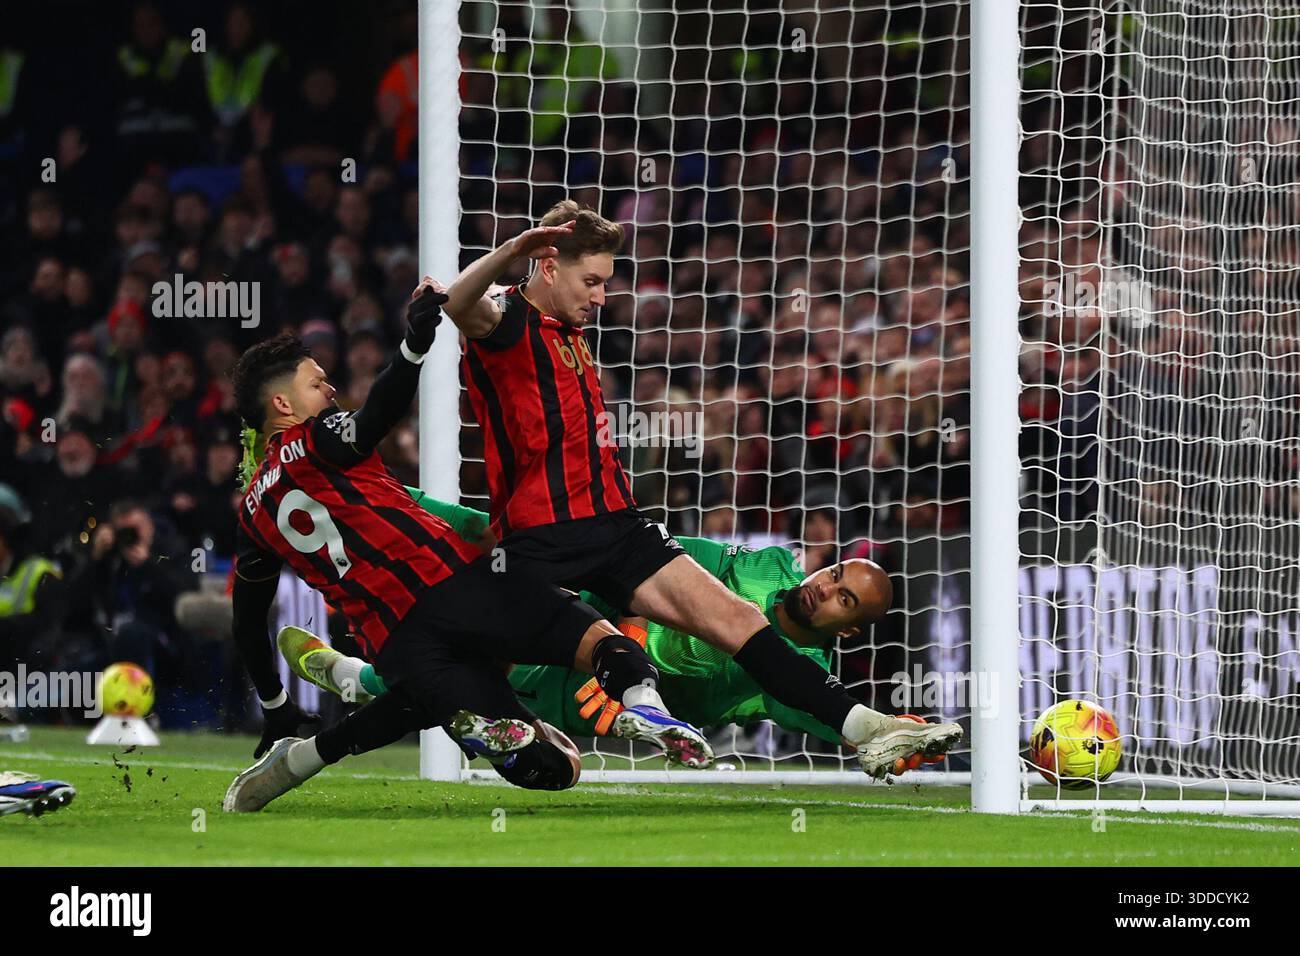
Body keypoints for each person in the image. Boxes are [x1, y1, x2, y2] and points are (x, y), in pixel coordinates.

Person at [439, 201, 961, 778]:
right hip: (543, 535)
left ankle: (867, 728)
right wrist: (512, 249)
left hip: (616, 522)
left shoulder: (570, 332)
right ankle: (361, 687)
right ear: (546, 264)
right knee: (462, 658)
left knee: (740, 622)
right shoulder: (508, 320)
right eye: (591, 281)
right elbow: (459, 302)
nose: (601, 297)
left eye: (605, 284)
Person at [223, 281, 712, 812]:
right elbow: (378, 415)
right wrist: (414, 343)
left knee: (550, 764)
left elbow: (248, 622)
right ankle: (642, 704)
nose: (330, 391)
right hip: (458, 585)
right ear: (281, 403)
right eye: (318, 383)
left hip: (397, 644)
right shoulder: (315, 438)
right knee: (602, 647)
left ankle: (327, 750)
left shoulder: (252, 513)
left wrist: (275, 705)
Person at [280, 493, 899, 752]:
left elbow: (828, 718)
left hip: (588, 703)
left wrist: (889, 739)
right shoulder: (764, 566)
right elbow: (669, 567)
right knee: (481, 535)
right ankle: (370, 491)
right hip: (598, 620)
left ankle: (363, 683)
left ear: (846, 631)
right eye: (836, 573)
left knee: (472, 689)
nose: (825, 588)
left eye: (844, 600)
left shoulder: (799, 677)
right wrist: (627, 618)